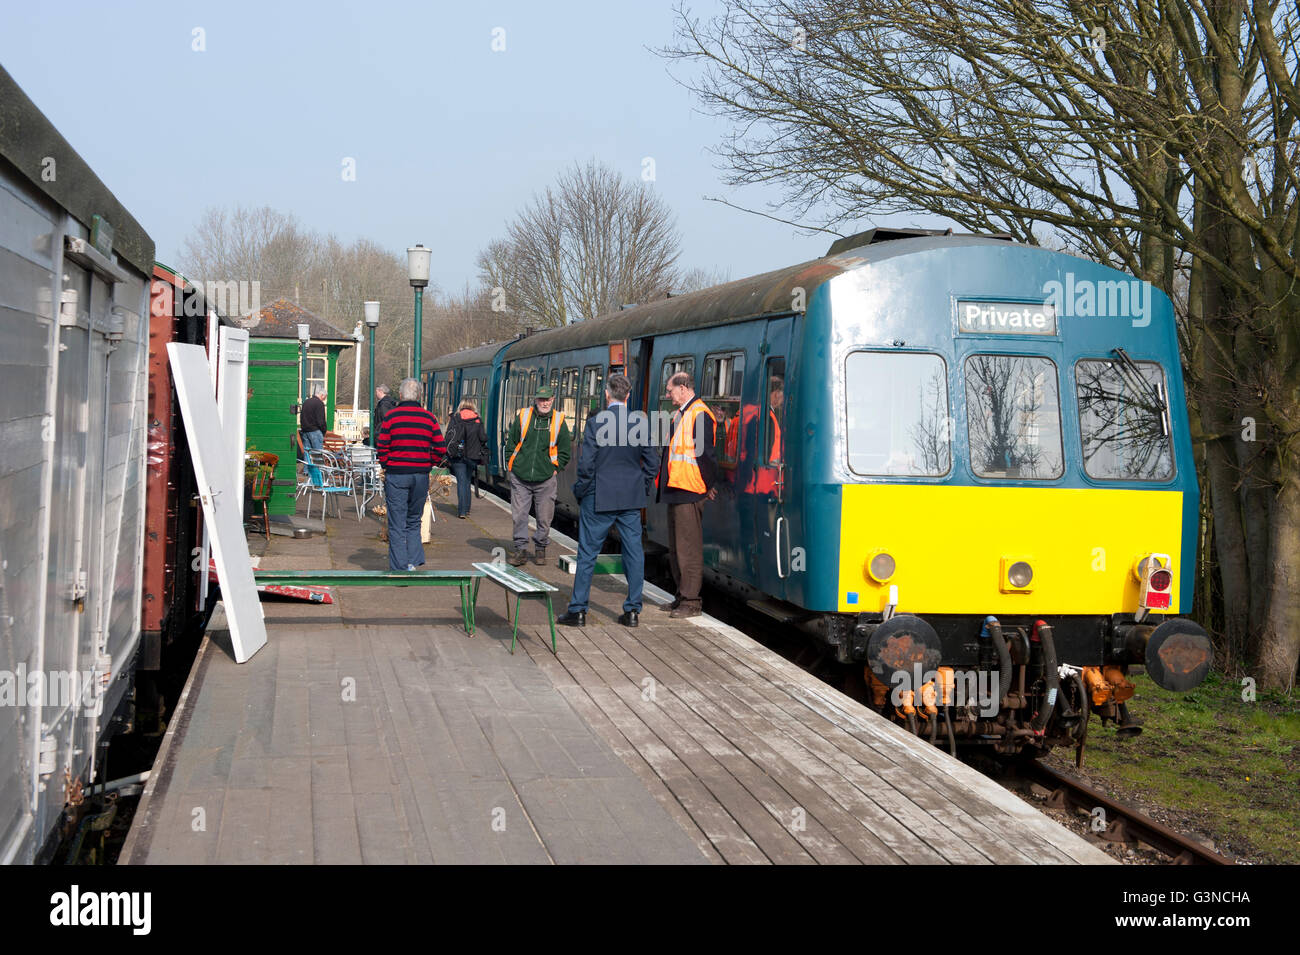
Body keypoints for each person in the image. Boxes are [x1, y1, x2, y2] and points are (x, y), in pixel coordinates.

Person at [557, 374, 658, 628]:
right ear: (628, 394)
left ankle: (578, 610)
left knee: (588, 552)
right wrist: (640, 487)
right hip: (630, 499)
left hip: (599, 497)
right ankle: (633, 611)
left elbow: (587, 465)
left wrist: (581, 490)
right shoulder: (640, 424)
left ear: (607, 394)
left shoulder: (596, 424)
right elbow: (653, 464)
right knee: (634, 551)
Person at [656, 371, 717, 618]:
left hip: (691, 490)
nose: (669, 397)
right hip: (678, 488)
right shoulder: (682, 414)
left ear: (683, 388)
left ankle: (691, 602)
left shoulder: (699, 414)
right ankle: (681, 596)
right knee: (676, 548)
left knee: (688, 549)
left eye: (670, 391)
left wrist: (708, 485)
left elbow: (708, 456)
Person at [377, 377, 446, 571]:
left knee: (397, 522)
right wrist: (428, 463)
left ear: (400, 395)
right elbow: (440, 449)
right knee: (414, 519)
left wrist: (387, 464)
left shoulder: (391, 418)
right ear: (419, 396)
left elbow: (382, 447)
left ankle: (399, 567)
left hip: (397, 474)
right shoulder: (429, 418)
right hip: (420, 475)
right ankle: (413, 561)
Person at [505, 384, 571, 566]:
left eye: (547, 399)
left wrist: (555, 467)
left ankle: (540, 548)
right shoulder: (524, 416)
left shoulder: (559, 421)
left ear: (553, 400)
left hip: (546, 478)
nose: (544, 403)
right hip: (520, 475)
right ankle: (520, 550)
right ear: (535, 400)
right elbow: (511, 441)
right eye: (541, 399)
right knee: (519, 515)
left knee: (544, 516)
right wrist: (511, 463)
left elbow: (565, 450)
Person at [444, 398, 488, 519]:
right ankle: (467, 509)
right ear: (473, 407)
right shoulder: (478, 420)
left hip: (458, 456)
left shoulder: (456, 418)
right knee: (467, 481)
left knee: (461, 482)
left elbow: (448, 436)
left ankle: (462, 511)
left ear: (461, 406)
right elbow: (483, 438)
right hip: (473, 456)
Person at [300, 385, 327, 453]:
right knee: (317, 453)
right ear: (322, 395)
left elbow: (302, 416)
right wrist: (324, 431)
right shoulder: (319, 404)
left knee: (307, 454)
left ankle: (307, 464)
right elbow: (321, 420)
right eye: (325, 397)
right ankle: (317, 464)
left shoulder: (306, 402)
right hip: (315, 431)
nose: (324, 399)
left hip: (305, 431)